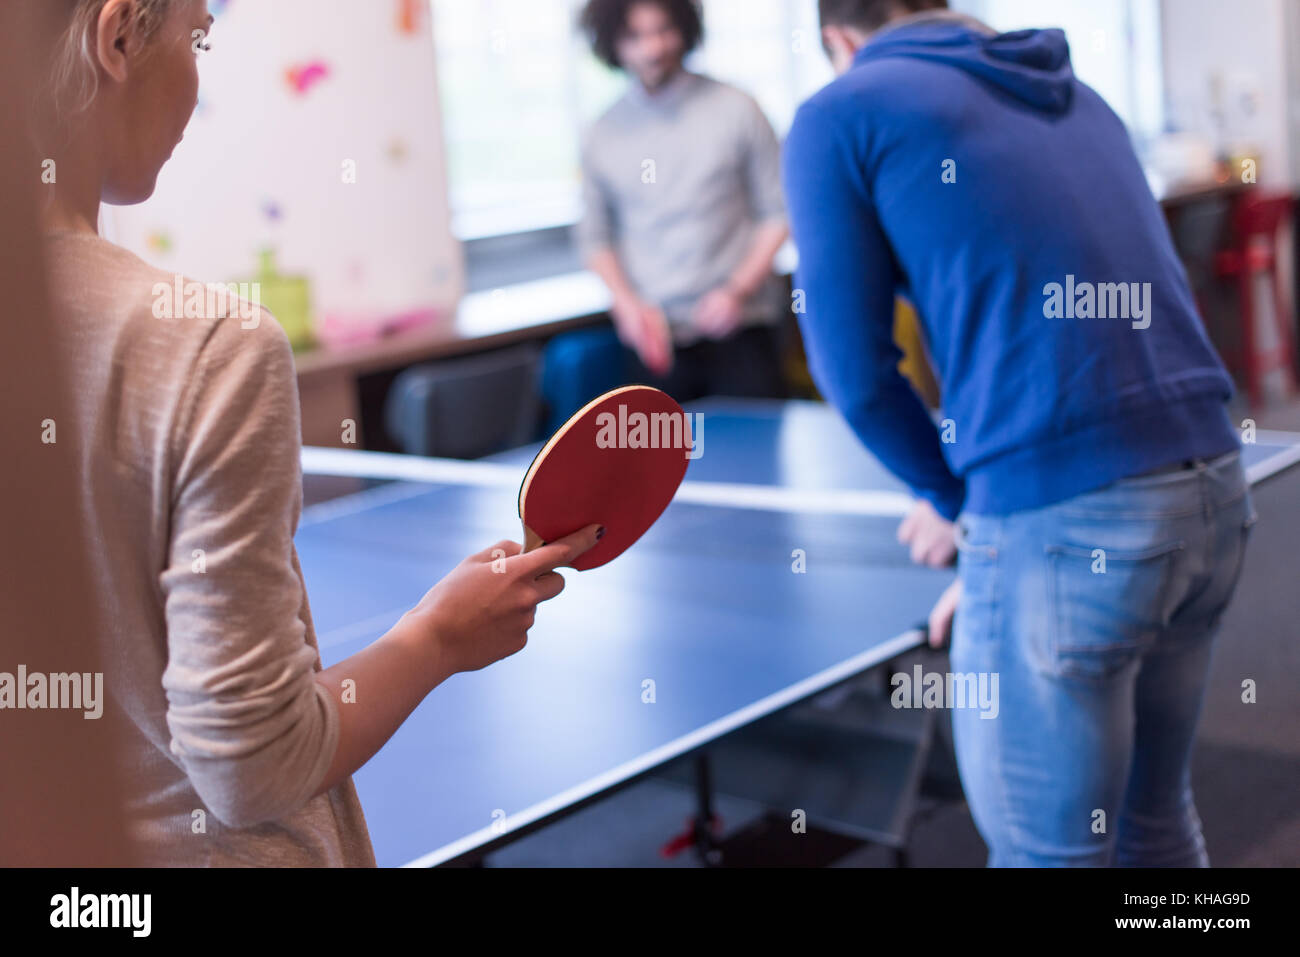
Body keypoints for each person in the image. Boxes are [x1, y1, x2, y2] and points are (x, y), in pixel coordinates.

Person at [37, 0, 600, 866]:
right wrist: (438, 634)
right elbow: (249, 770)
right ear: (117, 36)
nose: (195, 77)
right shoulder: (204, 347)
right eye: (199, 39)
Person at [783, 0, 1255, 866]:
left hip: (1065, 520)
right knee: (1154, 827)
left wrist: (970, 509)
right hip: (1214, 489)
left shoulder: (839, 113)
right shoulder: (1079, 91)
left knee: (1050, 857)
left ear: (836, 40)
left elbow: (852, 373)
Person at [577, 0, 790, 401]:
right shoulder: (601, 132)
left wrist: (736, 290)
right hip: (655, 339)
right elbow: (595, 238)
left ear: (685, 28)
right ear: (612, 42)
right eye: (635, 36)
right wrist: (627, 306)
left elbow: (779, 212)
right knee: (660, 462)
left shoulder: (737, 108)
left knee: (747, 458)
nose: (652, 48)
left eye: (662, 31)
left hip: (742, 328)